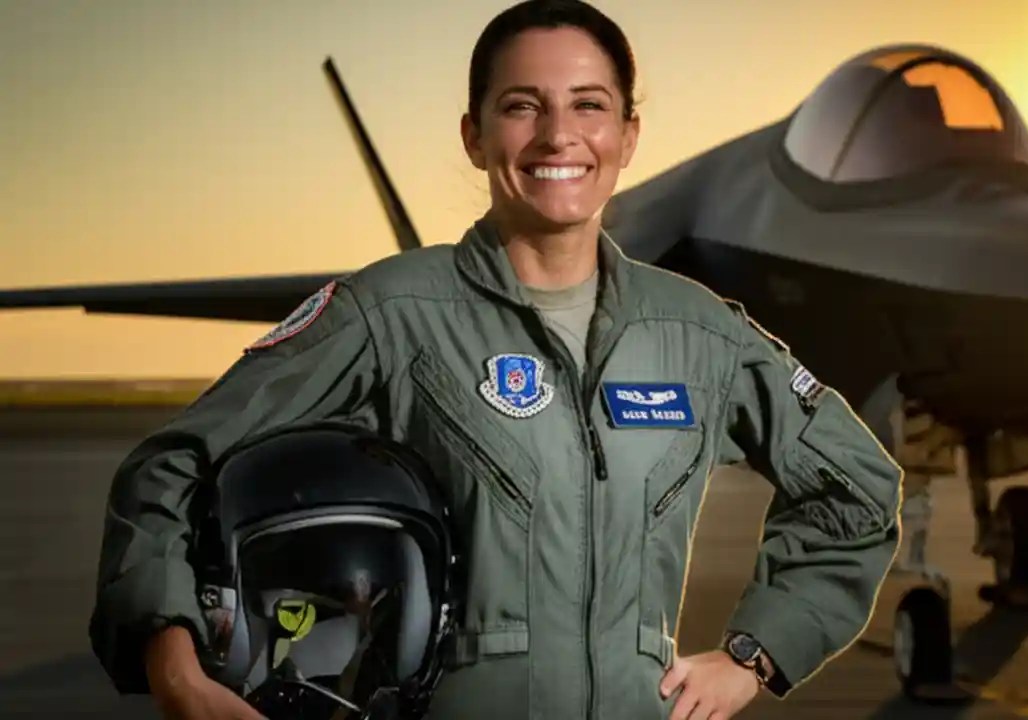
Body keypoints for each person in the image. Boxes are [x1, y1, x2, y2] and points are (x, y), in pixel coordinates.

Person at [88, 1, 904, 718]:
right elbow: (171, 466)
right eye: (523, 107)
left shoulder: (698, 334)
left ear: (626, 136)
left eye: (589, 106)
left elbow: (858, 493)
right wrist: (176, 669)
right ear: (475, 136)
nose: (559, 136)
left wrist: (753, 656)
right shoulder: (392, 315)